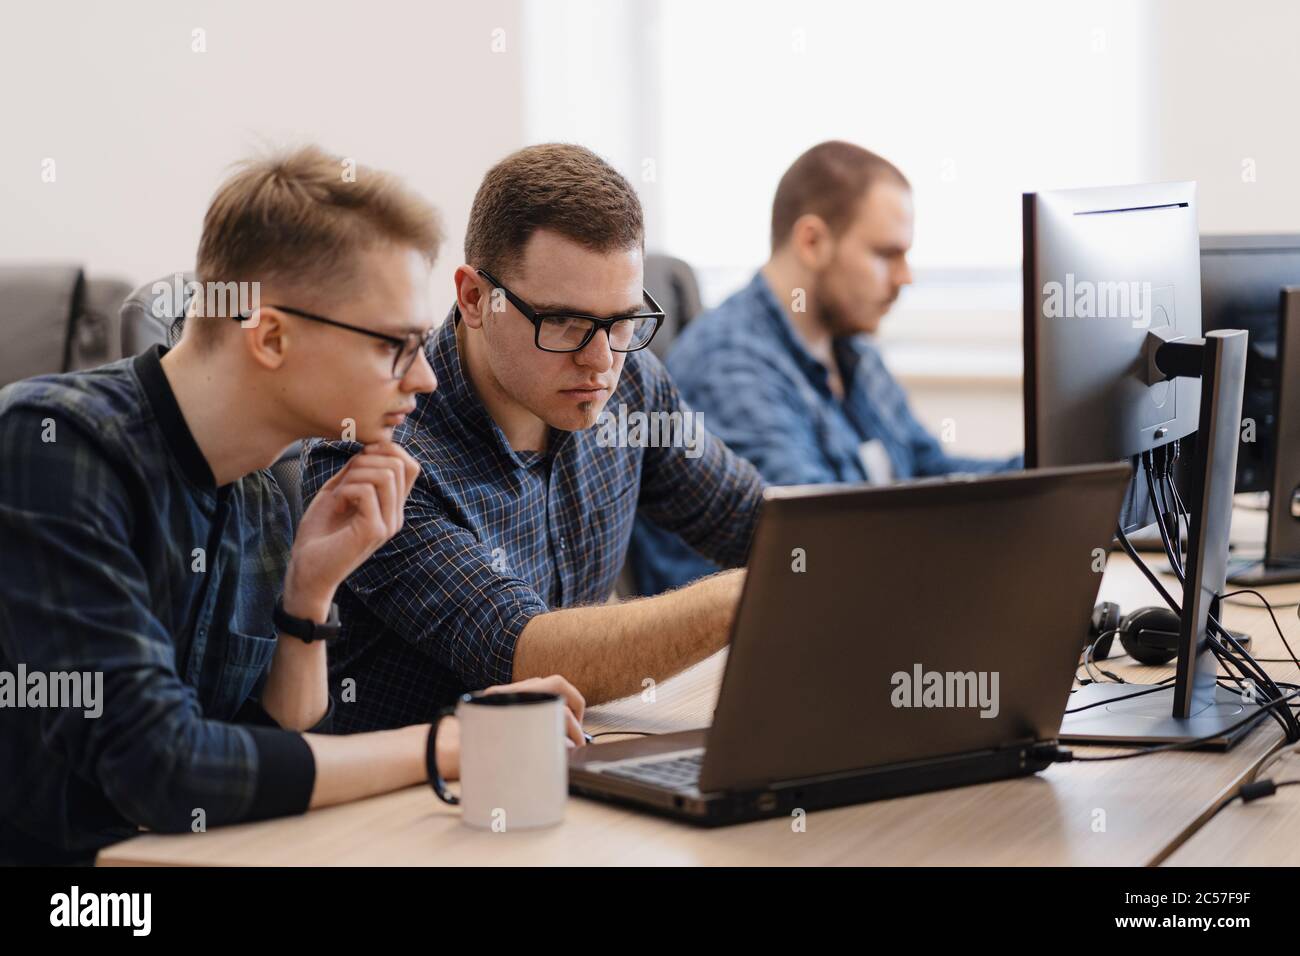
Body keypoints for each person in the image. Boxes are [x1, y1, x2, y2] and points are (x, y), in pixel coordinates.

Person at [0, 146, 583, 865]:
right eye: (397, 346)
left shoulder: (256, 491)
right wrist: (448, 742)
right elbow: (164, 770)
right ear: (270, 335)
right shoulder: (52, 447)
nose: (427, 377)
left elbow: (267, 758)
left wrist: (309, 597)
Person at [302, 144, 766, 732]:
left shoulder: (629, 387)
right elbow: (523, 656)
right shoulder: (375, 447)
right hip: (416, 802)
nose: (601, 360)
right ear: (475, 298)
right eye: (566, 322)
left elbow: (752, 520)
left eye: (622, 320)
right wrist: (743, 596)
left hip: (572, 764)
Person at [629, 140, 1022, 595]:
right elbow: (819, 540)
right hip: (751, 638)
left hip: (861, 598)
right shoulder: (729, 365)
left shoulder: (851, 349)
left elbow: (927, 470)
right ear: (812, 242)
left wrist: (1055, 468)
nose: (905, 277)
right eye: (885, 254)